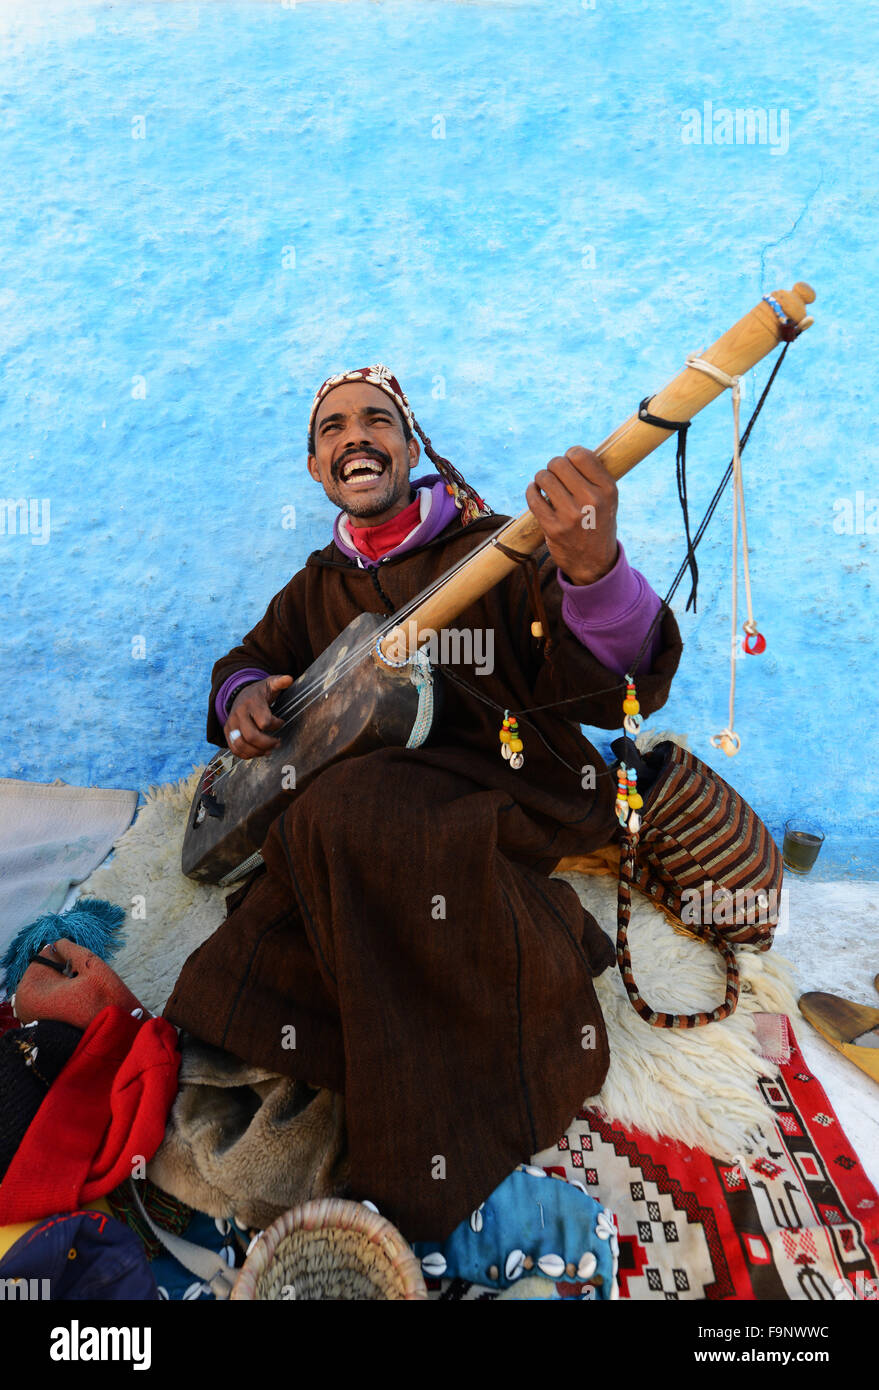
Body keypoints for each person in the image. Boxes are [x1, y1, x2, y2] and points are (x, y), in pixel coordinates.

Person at [164, 364, 683, 1241]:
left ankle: (424, 1161)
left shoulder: (495, 551)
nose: (354, 436)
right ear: (315, 466)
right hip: (362, 822)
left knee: (340, 821)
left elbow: (617, 685)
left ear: (411, 449)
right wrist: (244, 699)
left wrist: (593, 566)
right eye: (333, 428)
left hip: (499, 798)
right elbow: (246, 660)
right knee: (319, 835)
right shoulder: (314, 585)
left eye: (376, 422)